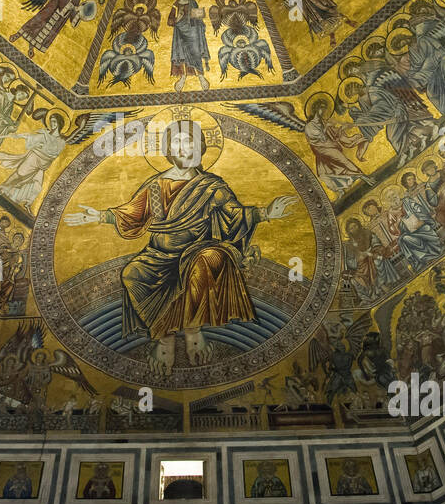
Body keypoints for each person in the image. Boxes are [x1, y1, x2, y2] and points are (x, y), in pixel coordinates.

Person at [63, 119, 297, 373]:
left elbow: (235, 214)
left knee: (205, 260)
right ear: (169, 150)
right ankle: (165, 336)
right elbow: (134, 214)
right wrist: (99, 216)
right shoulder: (156, 185)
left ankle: (193, 331)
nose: (184, 147)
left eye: (189, 141)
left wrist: (265, 213)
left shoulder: (212, 186)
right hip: (159, 254)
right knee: (132, 274)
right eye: (177, 142)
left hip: (199, 249)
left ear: (200, 147)